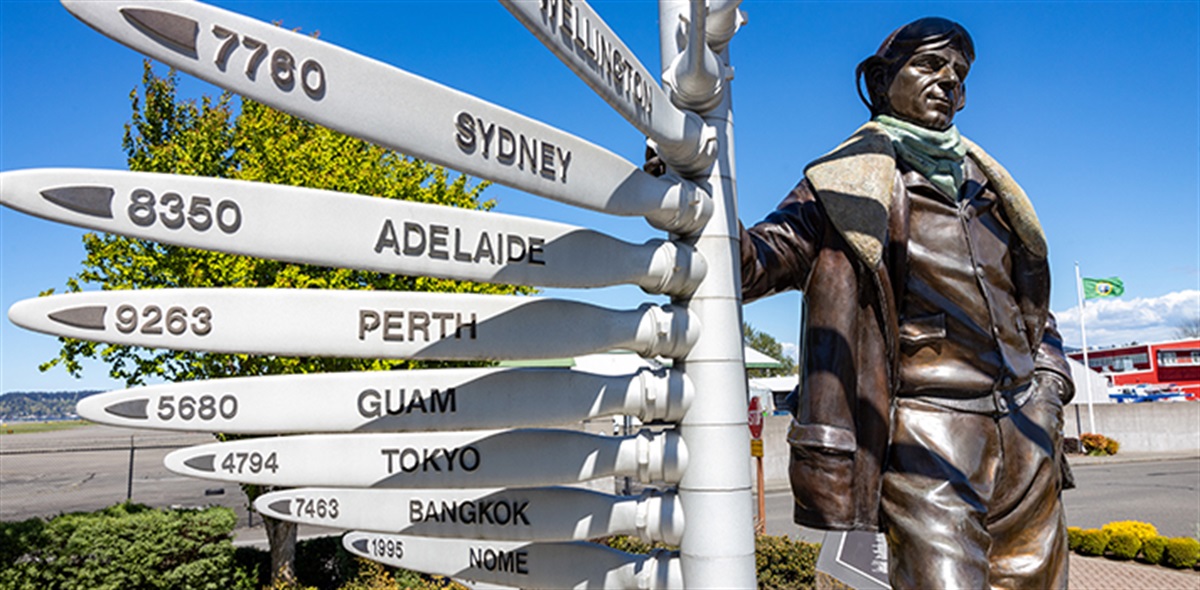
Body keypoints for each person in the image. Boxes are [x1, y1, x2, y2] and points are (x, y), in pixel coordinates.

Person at [736, 17, 1076, 589]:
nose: (948, 81)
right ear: (880, 78)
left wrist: (1049, 383)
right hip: (927, 435)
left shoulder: (990, 188)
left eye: (958, 73)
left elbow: (1031, 305)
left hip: (1026, 432)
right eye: (929, 65)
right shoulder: (847, 186)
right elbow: (753, 264)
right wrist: (694, 200)